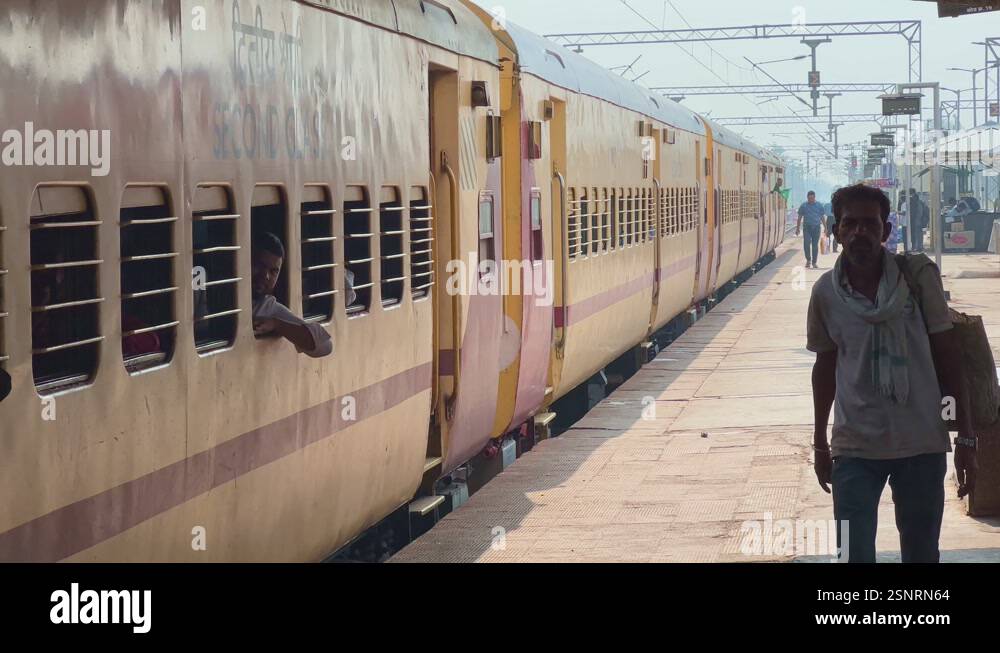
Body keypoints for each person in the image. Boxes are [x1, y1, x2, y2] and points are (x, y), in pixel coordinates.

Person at [807, 183, 978, 564]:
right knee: (853, 555)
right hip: (854, 448)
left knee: (920, 554)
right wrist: (820, 441)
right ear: (836, 230)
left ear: (886, 231)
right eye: (850, 224)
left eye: (870, 224)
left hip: (921, 442)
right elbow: (825, 366)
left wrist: (966, 437)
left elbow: (950, 358)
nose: (859, 233)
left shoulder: (918, 278)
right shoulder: (824, 294)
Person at [252, 232, 333, 358]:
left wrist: (277, 324)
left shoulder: (266, 307)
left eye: (273, 272)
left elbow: (324, 345)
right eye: (259, 266)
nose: (265, 276)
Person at [796, 190, 826, 269]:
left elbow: (822, 217)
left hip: (816, 228)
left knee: (815, 246)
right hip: (807, 228)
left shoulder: (819, 205)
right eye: (809, 198)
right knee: (806, 243)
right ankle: (808, 260)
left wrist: (826, 228)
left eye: (812, 198)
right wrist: (797, 228)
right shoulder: (803, 206)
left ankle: (814, 262)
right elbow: (799, 218)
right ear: (807, 198)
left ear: (814, 197)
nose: (811, 200)